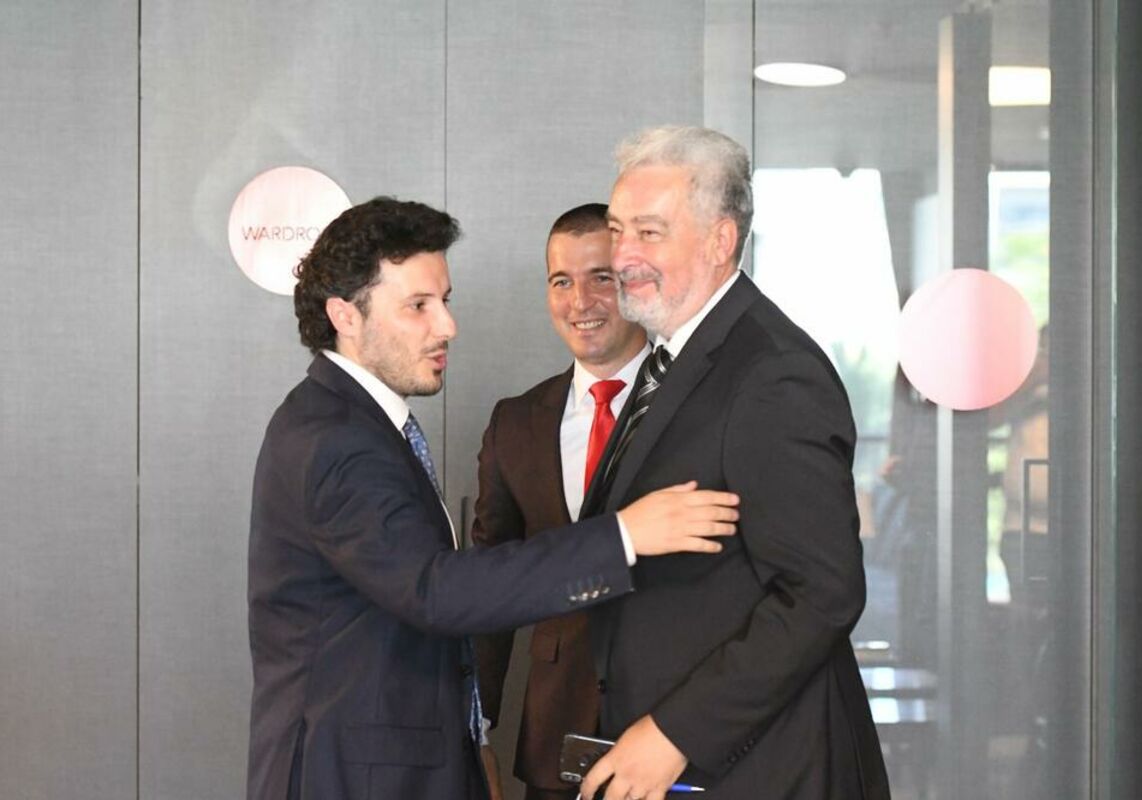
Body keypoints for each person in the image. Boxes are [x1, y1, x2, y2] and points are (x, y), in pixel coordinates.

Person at [246, 197, 739, 800]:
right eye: (419, 306)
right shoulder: (335, 439)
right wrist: (623, 536)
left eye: (444, 300)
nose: (447, 326)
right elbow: (438, 590)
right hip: (352, 775)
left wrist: (472, 733)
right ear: (345, 316)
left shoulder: (355, 424)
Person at [577, 127, 890, 800]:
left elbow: (822, 594)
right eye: (618, 230)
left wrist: (674, 735)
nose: (622, 255)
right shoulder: (675, 355)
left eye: (650, 233)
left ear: (721, 241)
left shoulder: (772, 373)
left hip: (764, 769)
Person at [472, 203, 649, 800]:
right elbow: (489, 585)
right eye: (561, 281)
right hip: (556, 737)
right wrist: (477, 728)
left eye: (601, 277)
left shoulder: (692, 405)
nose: (581, 302)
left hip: (670, 733)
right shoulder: (516, 423)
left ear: (633, 280)